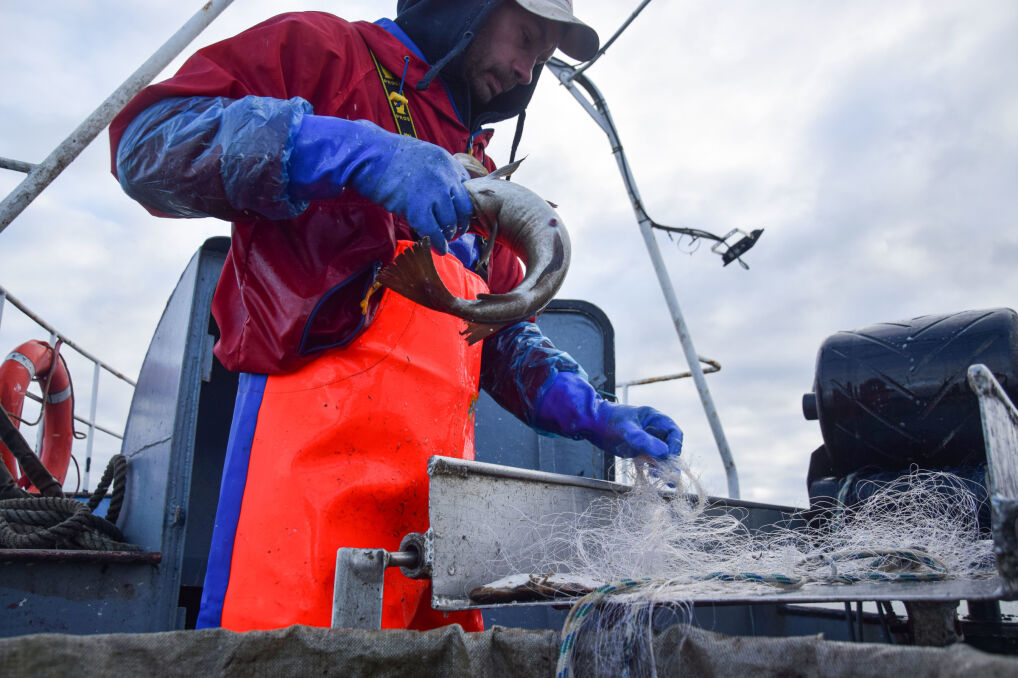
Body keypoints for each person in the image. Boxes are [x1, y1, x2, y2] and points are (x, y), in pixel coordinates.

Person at [110, 0, 683, 633]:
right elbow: (148, 146)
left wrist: (591, 409)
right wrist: (346, 149)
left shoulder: (480, 175)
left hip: (438, 527)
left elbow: (500, 333)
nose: (525, 73)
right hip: (304, 501)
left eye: (542, 60)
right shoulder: (326, 54)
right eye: (524, 38)